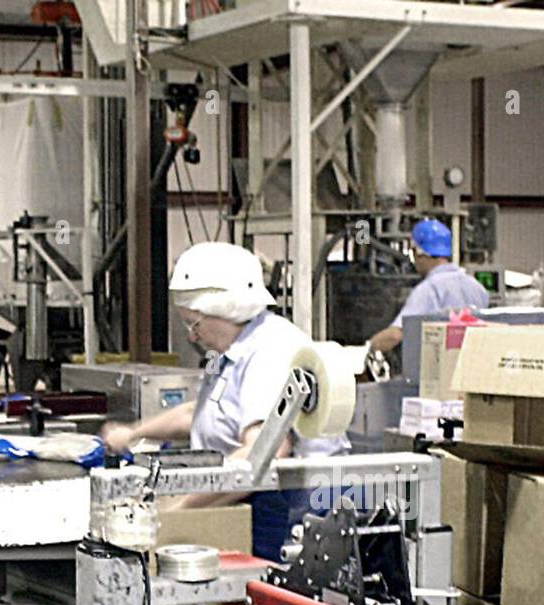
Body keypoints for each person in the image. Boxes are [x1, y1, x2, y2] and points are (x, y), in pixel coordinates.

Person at [102, 241, 349, 561]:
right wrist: (132, 433)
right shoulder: (231, 350)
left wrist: (179, 509)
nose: (191, 336)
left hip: (290, 507)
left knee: (261, 603)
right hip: (250, 493)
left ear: (227, 311)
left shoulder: (269, 351)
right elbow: (199, 412)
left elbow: (262, 454)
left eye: (195, 324)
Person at [365, 217, 490, 357]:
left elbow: (396, 335)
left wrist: (365, 349)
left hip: (439, 369)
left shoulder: (429, 290)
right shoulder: (478, 288)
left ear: (419, 253)